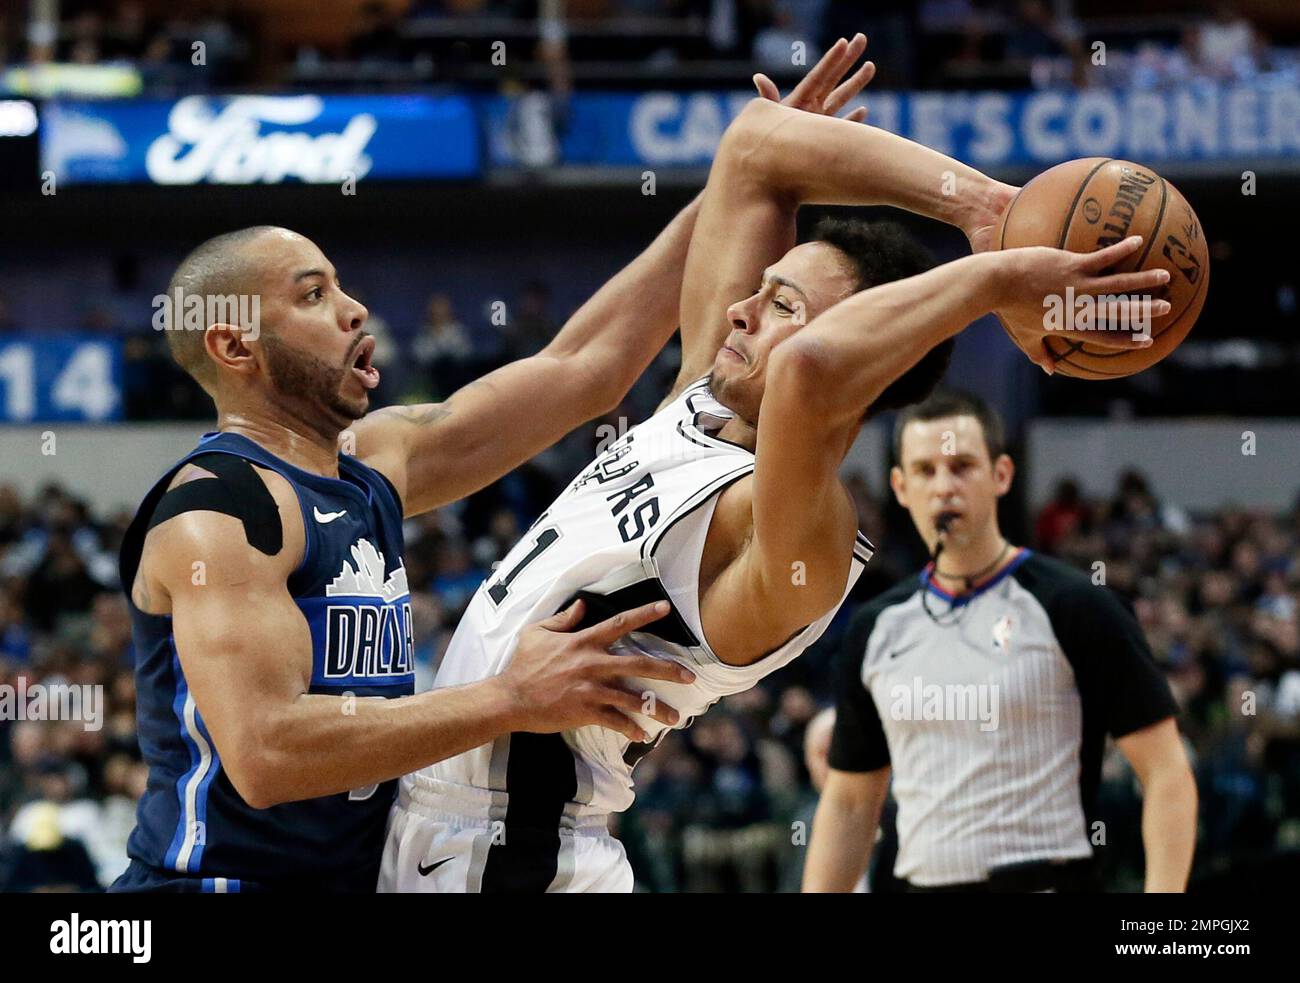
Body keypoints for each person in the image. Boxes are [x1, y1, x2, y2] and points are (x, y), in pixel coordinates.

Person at [380, 36, 1167, 893]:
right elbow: (755, 148)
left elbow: (811, 372)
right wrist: (985, 205)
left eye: (783, 300)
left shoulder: (800, 536)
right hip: (438, 820)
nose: (743, 307)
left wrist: (991, 279)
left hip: (514, 853)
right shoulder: (697, 405)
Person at [110, 174, 713, 891]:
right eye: (313, 296)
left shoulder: (375, 461)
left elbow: (584, 369)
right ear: (235, 346)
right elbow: (267, 753)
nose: (354, 308)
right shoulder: (220, 511)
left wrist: (735, 182)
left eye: (339, 286)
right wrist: (510, 697)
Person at [803, 390, 1198, 892]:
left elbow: (1166, 773)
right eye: (925, 471)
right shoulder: (876, 627)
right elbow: (851, 801)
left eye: (962, 465)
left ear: (1002, 475)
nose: (944, 487)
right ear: (900, 487)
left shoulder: (1075, 605)